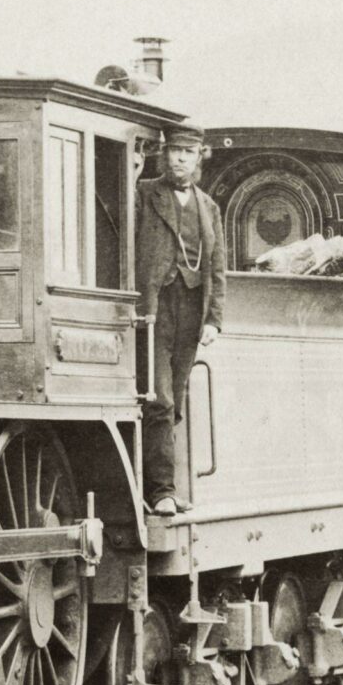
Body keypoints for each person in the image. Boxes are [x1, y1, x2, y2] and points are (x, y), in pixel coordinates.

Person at [136, 125, 227, 514]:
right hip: (154, 306)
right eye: (174, 151)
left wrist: (214, 320)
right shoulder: (143, 194)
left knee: (174, 401)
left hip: (192, 306)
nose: (180, 159)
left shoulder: (209, 207)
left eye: (188, 153)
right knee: (158, 398)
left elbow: (218, 266)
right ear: (164, 154)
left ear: (199, 157)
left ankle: (159, 488)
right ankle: (160, 492)